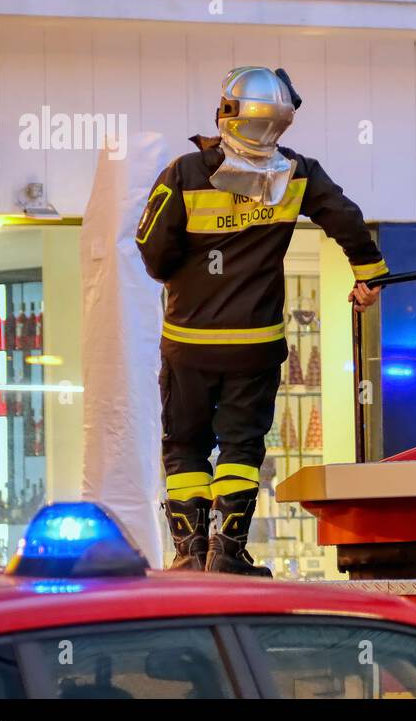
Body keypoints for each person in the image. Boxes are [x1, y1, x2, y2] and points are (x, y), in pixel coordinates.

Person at [136, 67, 386, 576]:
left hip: (188, 342)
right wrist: (370, 275)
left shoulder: (184, 174)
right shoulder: (298, 174)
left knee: (185, 444)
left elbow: (154, 255)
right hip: (256, 344)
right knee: (241, 445)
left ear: (226, 111)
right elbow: (345, 218)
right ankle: (226, 555)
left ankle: (188, 554)